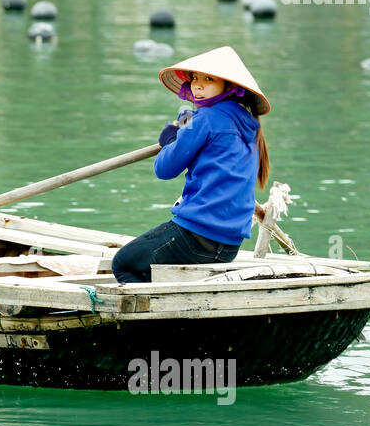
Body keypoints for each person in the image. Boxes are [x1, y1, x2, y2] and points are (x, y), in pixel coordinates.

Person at [111, 46, 271, 284]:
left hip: (197, 237)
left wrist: (170, 139)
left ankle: (156, 319)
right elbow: (211, 143)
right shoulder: (249, 124)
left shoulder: (204, 119)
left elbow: (164, 169)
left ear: (230, 86)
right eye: (195, 78)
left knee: (123, 264)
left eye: (209, 79)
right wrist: (185, 125)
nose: (198, 85)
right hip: (228, 247)